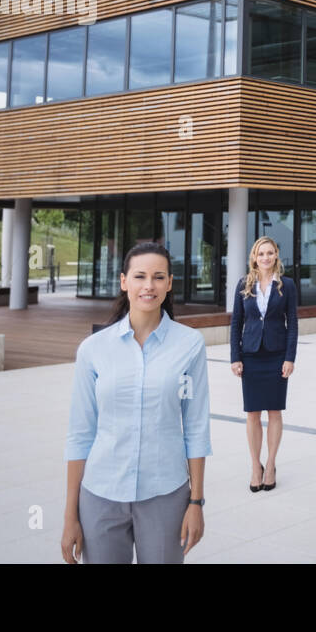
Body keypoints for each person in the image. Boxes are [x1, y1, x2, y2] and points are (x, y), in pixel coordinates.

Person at [61, 242, 211, 564]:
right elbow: (80, 434)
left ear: (170, 283)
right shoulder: (93, 349)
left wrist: (195, 502)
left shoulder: (190, 345)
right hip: (100, 493)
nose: (149, 285)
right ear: (123, 281)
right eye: (140, 276)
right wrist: (70, 514)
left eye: (158, 277)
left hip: (166, 495)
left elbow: (196, 428)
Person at [230, 236, 298, 492]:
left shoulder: (287, 285)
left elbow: (293, 323)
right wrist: (235, 357)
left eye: (270, 253)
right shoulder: (243, 284)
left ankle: (270, 464)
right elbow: (236, 323)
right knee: (253, 413)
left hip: (276, 354)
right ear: (254, 258)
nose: (266, 257)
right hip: (250, 355)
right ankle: (254, 465)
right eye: (261, 254)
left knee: (274, 412)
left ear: (276, 256)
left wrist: (290, 358)